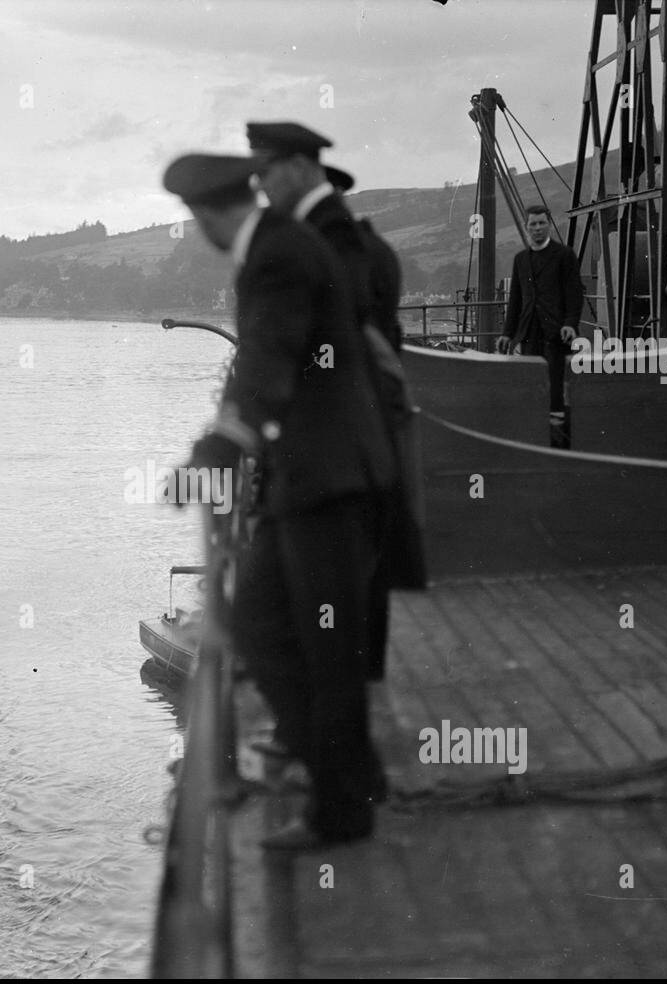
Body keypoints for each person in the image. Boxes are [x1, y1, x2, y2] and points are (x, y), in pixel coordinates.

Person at [162, 153, 393, 850]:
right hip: (308, 476)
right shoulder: (278, 246)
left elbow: (269, 354)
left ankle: (342, 810)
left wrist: (222, 444)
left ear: (207, 215)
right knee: (261, 624)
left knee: (320, 646)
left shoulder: (276, 256)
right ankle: (347, 771)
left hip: (329, 478)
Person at [247, 120, 424, 694]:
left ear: (301, 169)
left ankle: (344, 705)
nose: (260, 187)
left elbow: (356, 340)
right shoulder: (365, 245)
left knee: (336, 584)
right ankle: (359, 679)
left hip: (341, 439)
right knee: (359, 572)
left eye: (265, 171)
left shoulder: (331, 245)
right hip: (366, 431)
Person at [497, 206, 584, 448]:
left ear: (549, 224)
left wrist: (570, 324)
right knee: (533, 384)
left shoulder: (564, 255)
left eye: (541, 223)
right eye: (532, 224)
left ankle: (557, 443)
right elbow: (515, 300)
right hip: (529, 334)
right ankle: (535, 437)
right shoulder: (520, 260)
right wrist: (507, 333)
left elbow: (574, 294)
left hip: (556, 334)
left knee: (556, 387)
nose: (537, 228)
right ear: (526, 228)